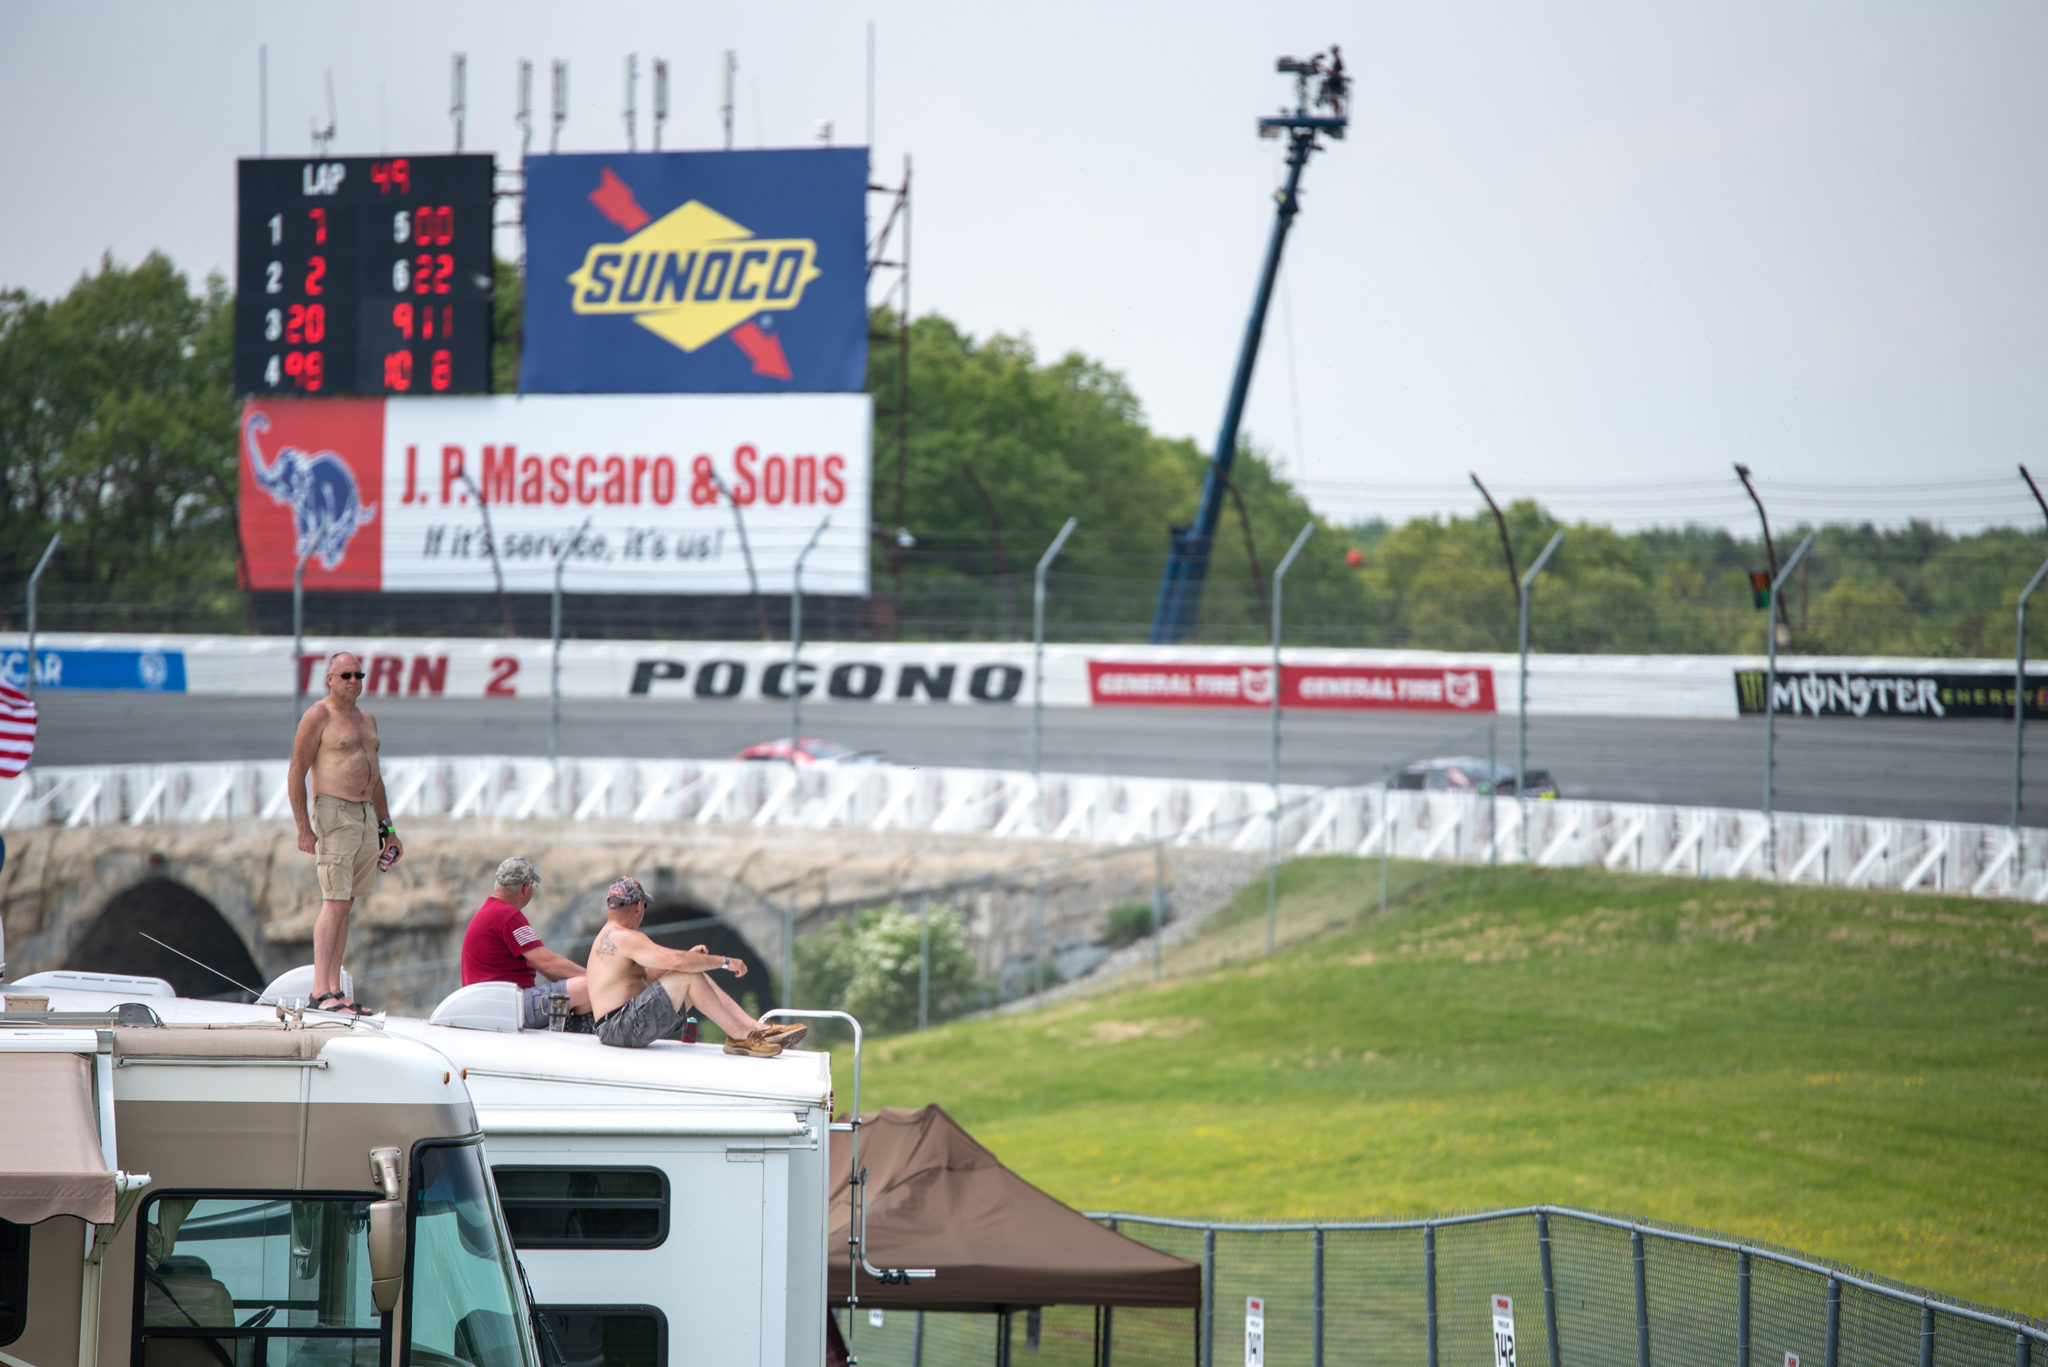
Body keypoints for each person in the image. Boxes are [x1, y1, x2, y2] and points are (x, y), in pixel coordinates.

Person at [288, 650, 399, 1016]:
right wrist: (303, 828)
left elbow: (376, 778)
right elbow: (297, 772)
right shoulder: (318, 716)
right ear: (330, 680)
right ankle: (320, 992)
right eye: (346, 675)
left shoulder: (367, 719)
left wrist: (388, 828)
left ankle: (336, 989)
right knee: (333, 900)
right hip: (334, 811)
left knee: (347, 902)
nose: (354, 681)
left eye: (358, 675)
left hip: (366, 815)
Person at [587, 877, 806, 1055]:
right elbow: (677, 961)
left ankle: (755, 1028)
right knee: (689, 975)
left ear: (609, 905)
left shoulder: (610, 935)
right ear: (638, 907)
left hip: (618, 1026)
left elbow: (644, 978)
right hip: (619, 1027)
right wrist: (725, 962)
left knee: (694, 973)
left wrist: (691, 959)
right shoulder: (626, 937)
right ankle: (740, 1037)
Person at [460, 857, 591, 1029]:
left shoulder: (490, 911)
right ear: (525, 888)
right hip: (507, 1008)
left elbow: (546, 968)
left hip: (488, 1005)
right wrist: (594, 977)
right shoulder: (507, 916)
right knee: (586, 987)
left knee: (577, 986)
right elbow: (546, 962)